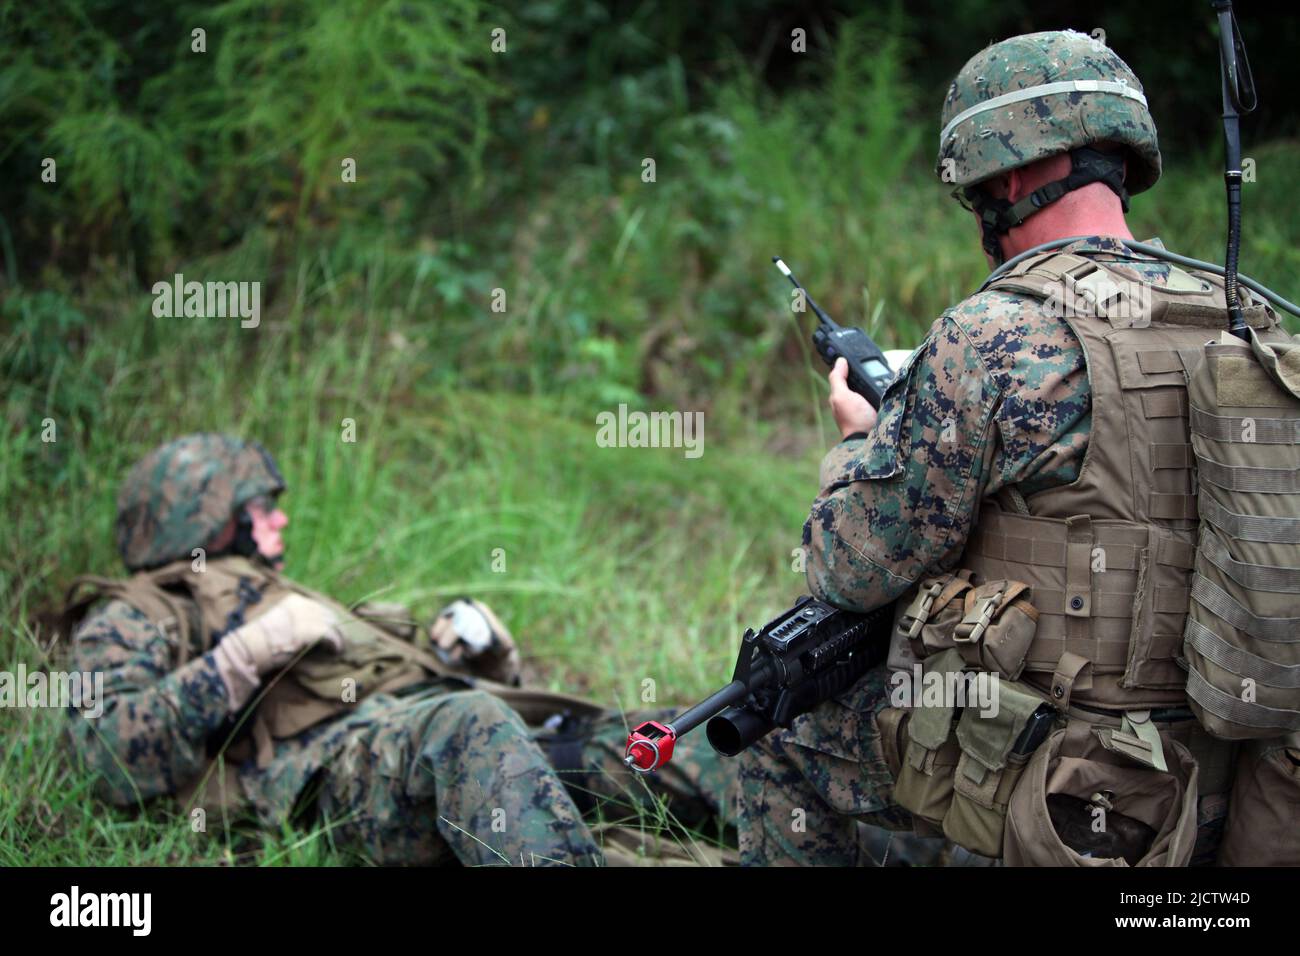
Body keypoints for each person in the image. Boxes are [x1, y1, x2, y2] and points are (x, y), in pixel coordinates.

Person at [738, 29, 1297, 866]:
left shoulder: (991, 336)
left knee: (772, 722)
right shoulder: (1250, 324)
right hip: (1233, 786)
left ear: (1004, 176)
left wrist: (860, 446)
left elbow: (851, 570)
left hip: (1075, 788)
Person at [63, 433, 736, 866]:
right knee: (466, 728)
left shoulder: (275, 593)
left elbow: (433, 709)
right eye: (262, 507)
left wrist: (492, 667)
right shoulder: (139, 611)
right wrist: (240, 659)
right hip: (350, 779)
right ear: (205, 519)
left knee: (701, 734)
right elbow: (106, 756)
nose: (281, 518)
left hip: (457, 745)